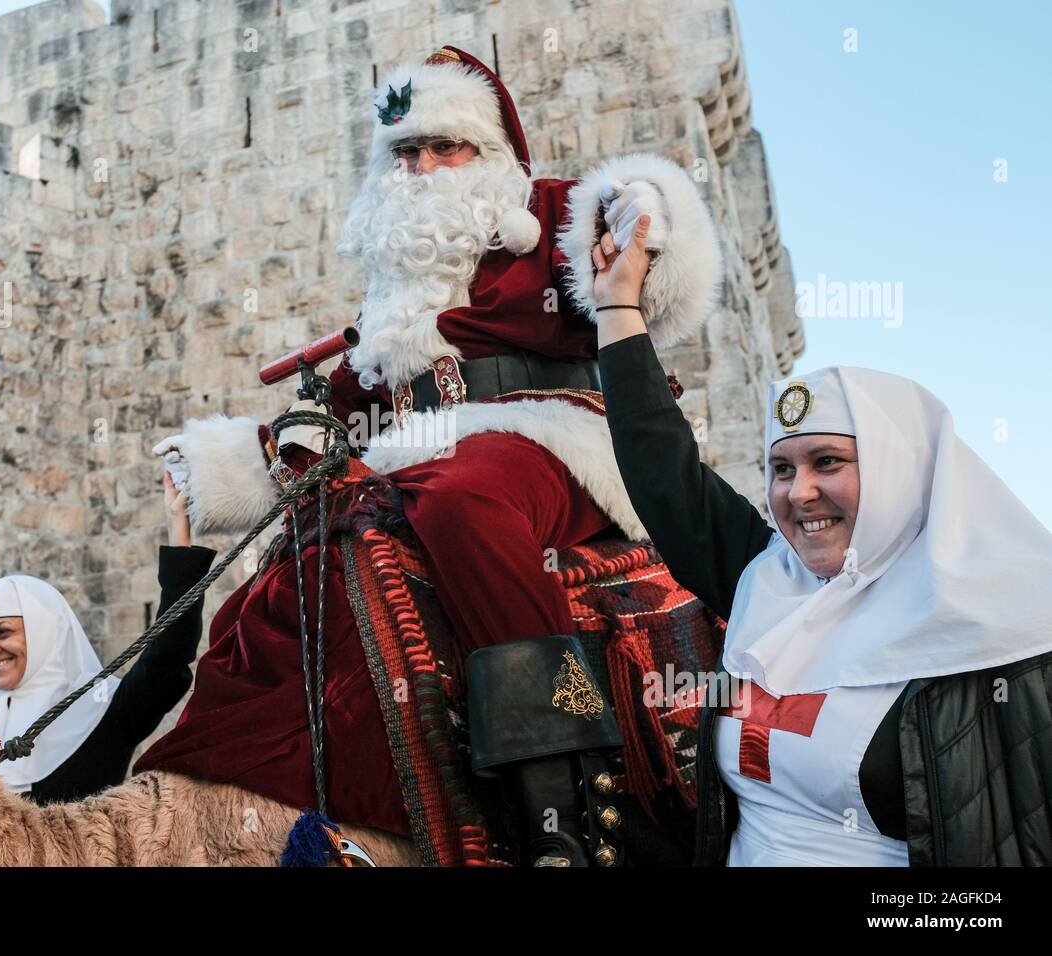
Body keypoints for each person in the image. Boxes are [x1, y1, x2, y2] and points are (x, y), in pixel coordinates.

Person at [137, 45, 722, 865]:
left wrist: (644, 217)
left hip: (556, 438)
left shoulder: (556, 213)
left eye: (444, 147)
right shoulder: (392, 292)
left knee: (464, 499)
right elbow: (343, 411)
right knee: (294, 566)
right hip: (416, 457)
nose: (423, 167)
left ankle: (564, 793)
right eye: (406, 152)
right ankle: (240, 803)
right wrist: (238, 461)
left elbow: (657, 276)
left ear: (490, 152)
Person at [594, 212, 1052, 865]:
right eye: (781, 468)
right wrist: (616, 304)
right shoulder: (766, 579)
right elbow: (663, 470)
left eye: (828, 462)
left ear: (900, 470)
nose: (797, 492)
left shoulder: (1009, 632)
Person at [0, 473, 215, 804]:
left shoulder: (105, 712)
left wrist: (177, 527)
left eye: (3, 632)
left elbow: (167, 659)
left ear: (45, 633)